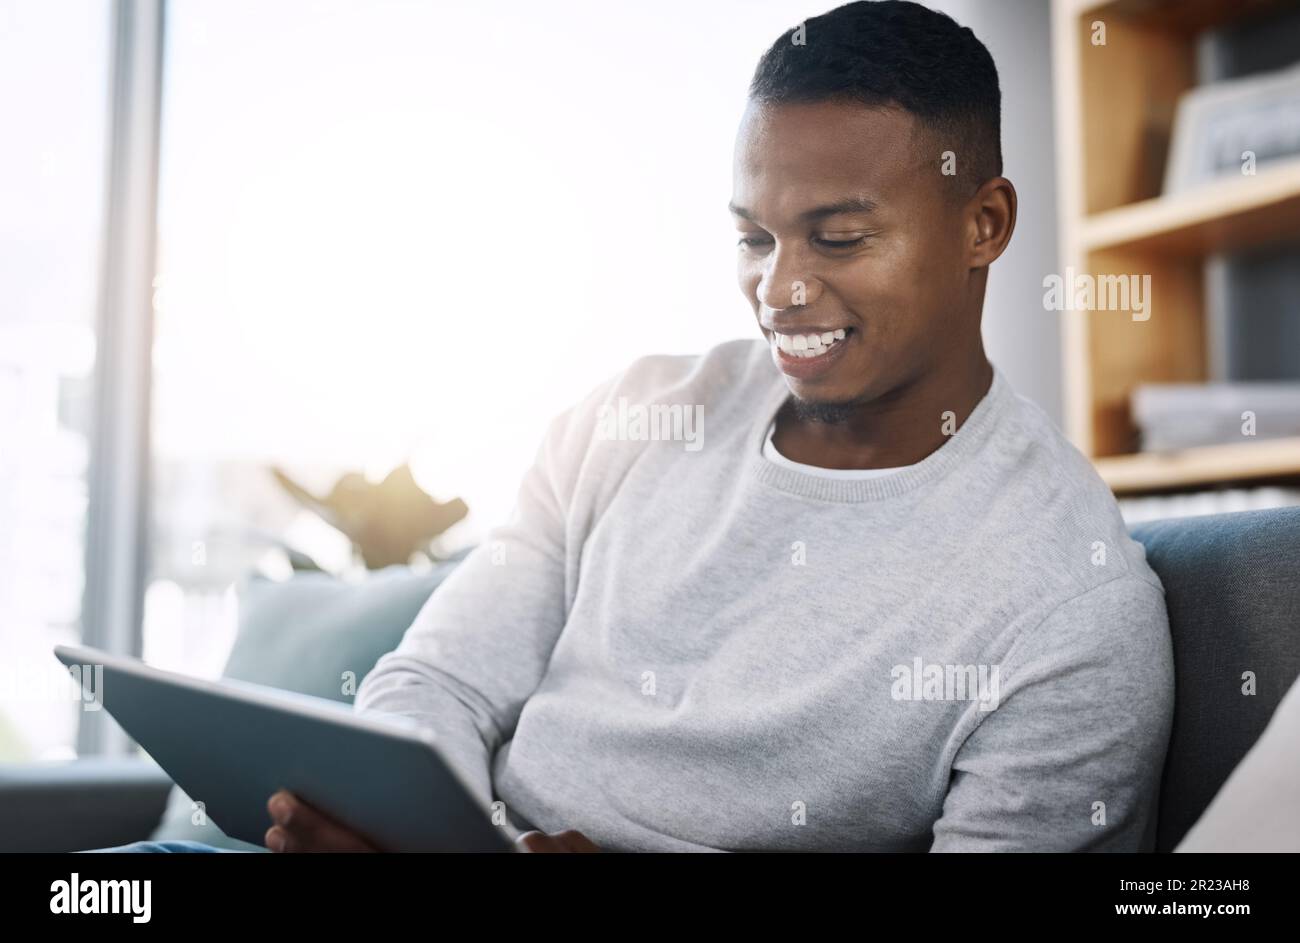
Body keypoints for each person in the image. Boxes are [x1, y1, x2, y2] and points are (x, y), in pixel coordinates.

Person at [98, 0, 1173, 854]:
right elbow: (441, 679)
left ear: (984, 224)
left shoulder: (1070, 609)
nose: (779, 291)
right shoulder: (637, 414)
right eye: (753, 237)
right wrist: (395, 815)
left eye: (837, 237)